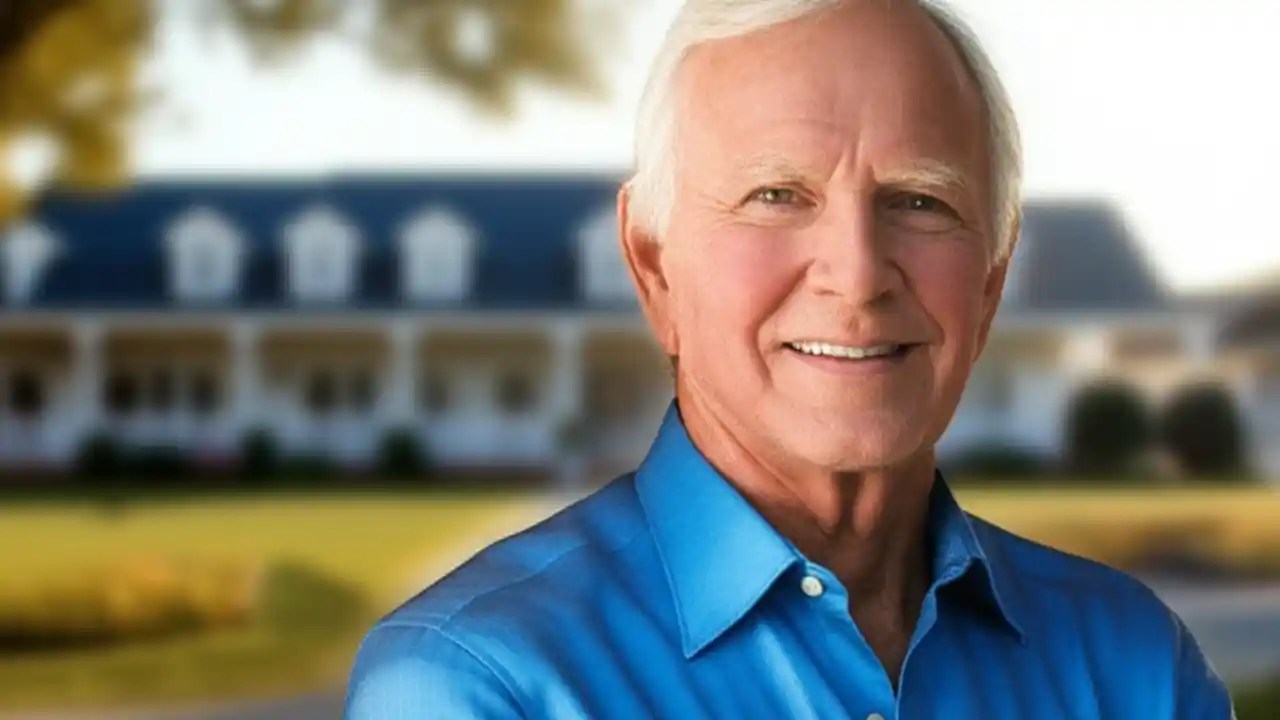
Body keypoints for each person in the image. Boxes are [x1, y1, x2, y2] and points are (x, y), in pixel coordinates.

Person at [345, 1, 1235, 717]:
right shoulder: (478, 687)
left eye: (921, 201)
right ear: (652, 263)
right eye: (777, 195)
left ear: (992, 280)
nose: (855, 276)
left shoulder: (1136, 672)